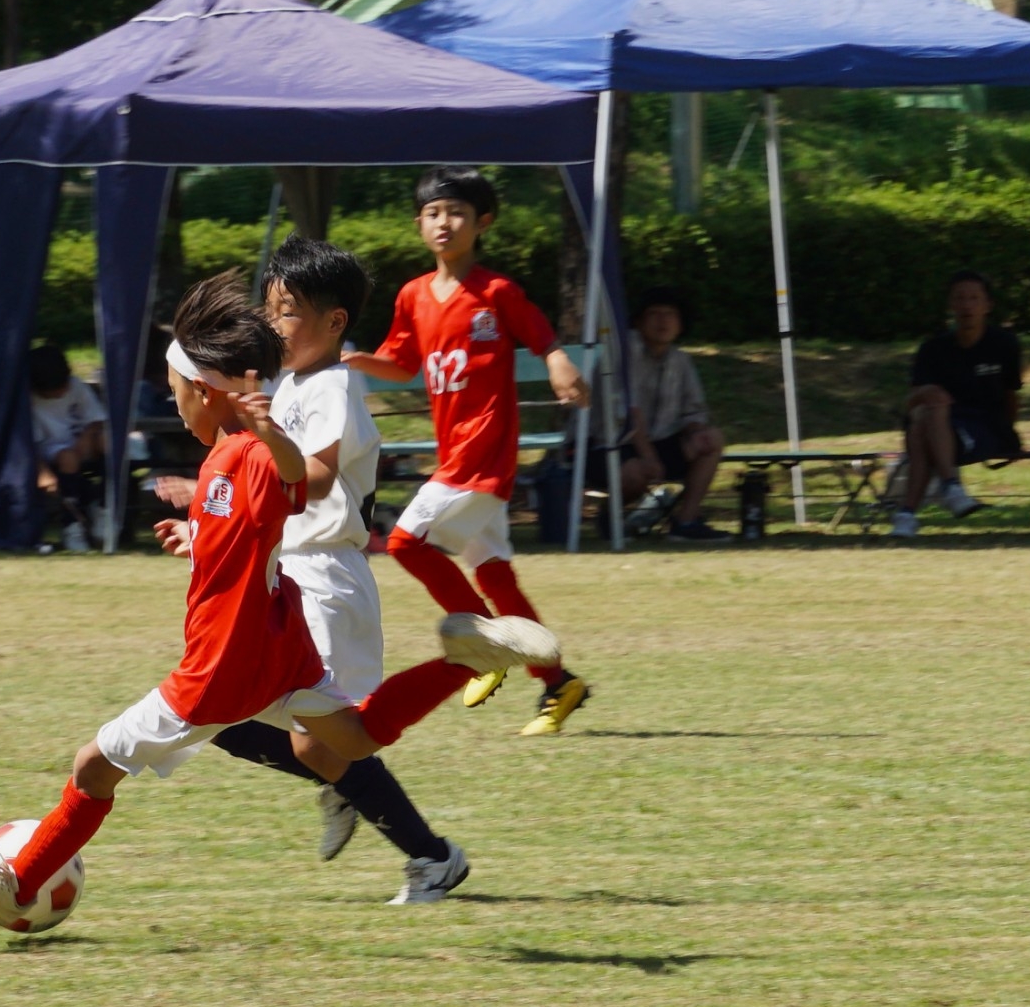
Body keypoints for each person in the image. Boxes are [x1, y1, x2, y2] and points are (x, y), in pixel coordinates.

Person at [0, 273, 560, 930]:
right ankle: (459, 660)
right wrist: (199, 531)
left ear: (207, 391)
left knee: (94, 763)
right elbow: (261, 513)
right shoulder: (225, 459)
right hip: (278, 641)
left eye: (179, 395)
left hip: (224, 658)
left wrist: (272, 436)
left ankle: (18, 878)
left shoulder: (249, 454)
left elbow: (300, 480)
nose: (176, 408)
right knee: (344, 738)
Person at [199, 234, 467, 901]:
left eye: (286, 310)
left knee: (322, 742)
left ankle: (433, 858)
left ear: (335, 321)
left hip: (324, 576)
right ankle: (343, 781)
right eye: (268, 309)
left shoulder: (335, 385)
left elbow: (312, 481)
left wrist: (263, 437)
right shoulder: (289, 383)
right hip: (283, 574)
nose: (271, 322)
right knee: (221, 717)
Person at [342, 166, 592, 738]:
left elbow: (541, 336)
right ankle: (559, 684)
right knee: (498, 578)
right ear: (419, 224)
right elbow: (400, 365)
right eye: (433, 213)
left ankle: (482, 644)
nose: (443, 222)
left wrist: (558, 363)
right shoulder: (412, 295)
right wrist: (351, 361)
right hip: (454, 455)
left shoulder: (496, 292)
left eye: (456, 213)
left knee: (406, 542)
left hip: (483, 456)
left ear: (483, 224)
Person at [889, 270, 1022, 539]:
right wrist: (926, 391)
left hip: (983, 428)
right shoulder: (932, 349)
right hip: (940, 427)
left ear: (987, 306)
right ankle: (948, 489)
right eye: (960, 298)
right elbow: (909, 403)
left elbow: (1011, 394)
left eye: (974, 298)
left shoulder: (1004, 344)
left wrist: (1010, 435)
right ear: (950, 305)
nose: (967, 305)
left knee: (921, 428)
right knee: (927, 411)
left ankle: (908, 513)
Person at [610, 287, 729, 542]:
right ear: (639, 322)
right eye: (654, 314)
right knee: (638, 469)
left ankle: (686, 521)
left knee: (712, 439)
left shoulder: (681, 360)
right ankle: (609, 516)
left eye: (670, 314)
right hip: (615, 444)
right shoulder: (625, 352)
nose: (663, 321)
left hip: (660, 442)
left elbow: (693, 410)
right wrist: (650, 457)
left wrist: (696, 432)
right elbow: (628, 413)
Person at [28, 343, 107, 552]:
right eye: (54, 390)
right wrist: (42, 472)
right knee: (68, 458)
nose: (62, 392)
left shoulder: (76, 386)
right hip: (50, 448)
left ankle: (103, 508)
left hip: (80, 442)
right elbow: (26, 443)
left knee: (107, 441)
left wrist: (88, 436)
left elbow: (96, 419)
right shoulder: (28, 400)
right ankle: (72, 526)